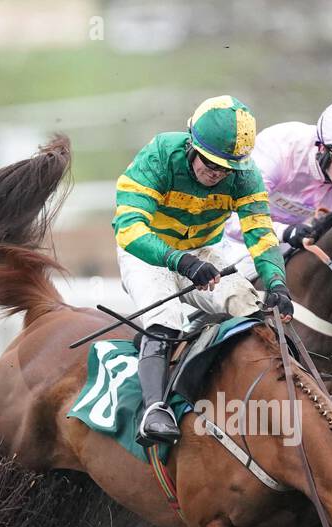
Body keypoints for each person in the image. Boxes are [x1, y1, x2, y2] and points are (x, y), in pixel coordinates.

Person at [113, 95, 294, 446]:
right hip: (147, 250)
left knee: (249, 304)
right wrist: (180, 261)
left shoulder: (245, 177)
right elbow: (129, 227)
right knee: (166, 315)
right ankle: (154, 409)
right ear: (191, 145)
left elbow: (260, 234)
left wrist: (277, 283)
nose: (218, 174)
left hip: (201, 250)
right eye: (211, 164)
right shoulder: (160, 154)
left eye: (228, 169)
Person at [221, 100, 332, 274]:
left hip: (291, 244)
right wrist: (284, 232)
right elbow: (232, 215)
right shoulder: (279, 149)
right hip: (231, 239)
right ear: (322, 149)